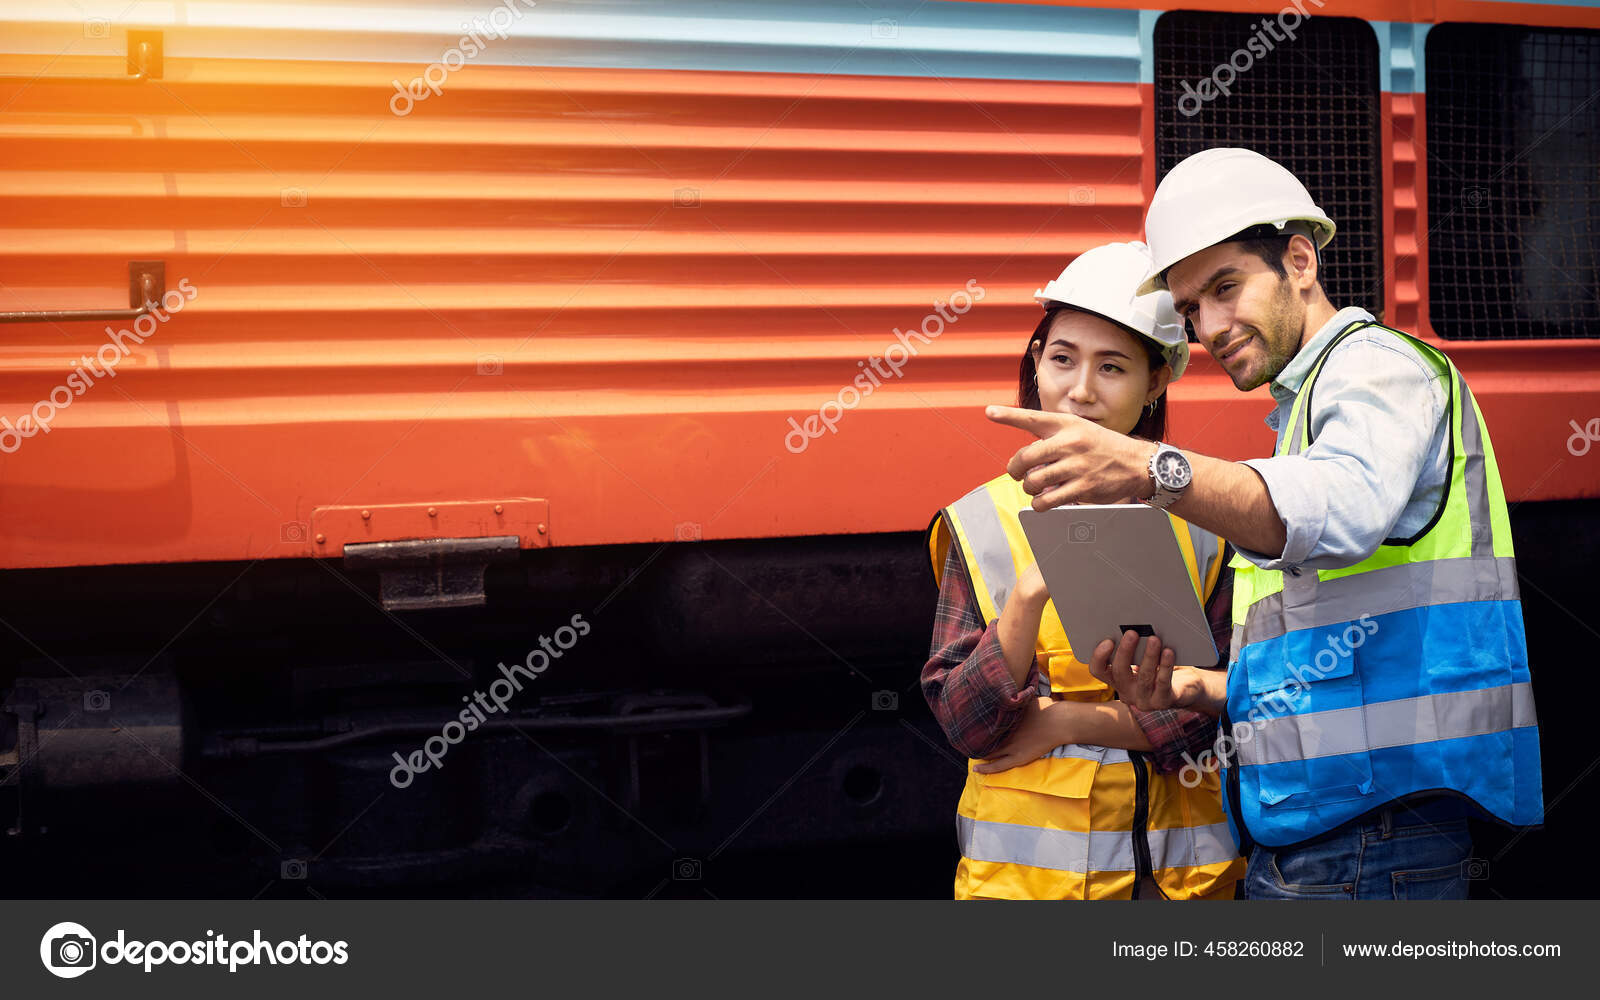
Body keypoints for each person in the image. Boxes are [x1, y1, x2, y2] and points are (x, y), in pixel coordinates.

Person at [987, 148, 1543, 900]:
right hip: (1330, 831)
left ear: (1300, 261)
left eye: (1226, 288)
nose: (1210, 327)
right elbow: (1326, 656)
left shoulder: (1379, 369)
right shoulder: (1307, 414)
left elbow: (1342, 508)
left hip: (1372, 834)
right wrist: (1196, 690)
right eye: (1190, 308)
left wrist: (1153, 469)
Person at [921, 241, 1245, 900]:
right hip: (1027, 891)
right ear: (1037, 362)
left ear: (1156, 381)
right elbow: (967, 725)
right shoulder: (979, 522)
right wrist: (1032, 593)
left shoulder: (1209, 521)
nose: (1080, 391)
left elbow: (1229, 710)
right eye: (1063, 359)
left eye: (1113, 367)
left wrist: (1071, 721)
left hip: (1179, 886)